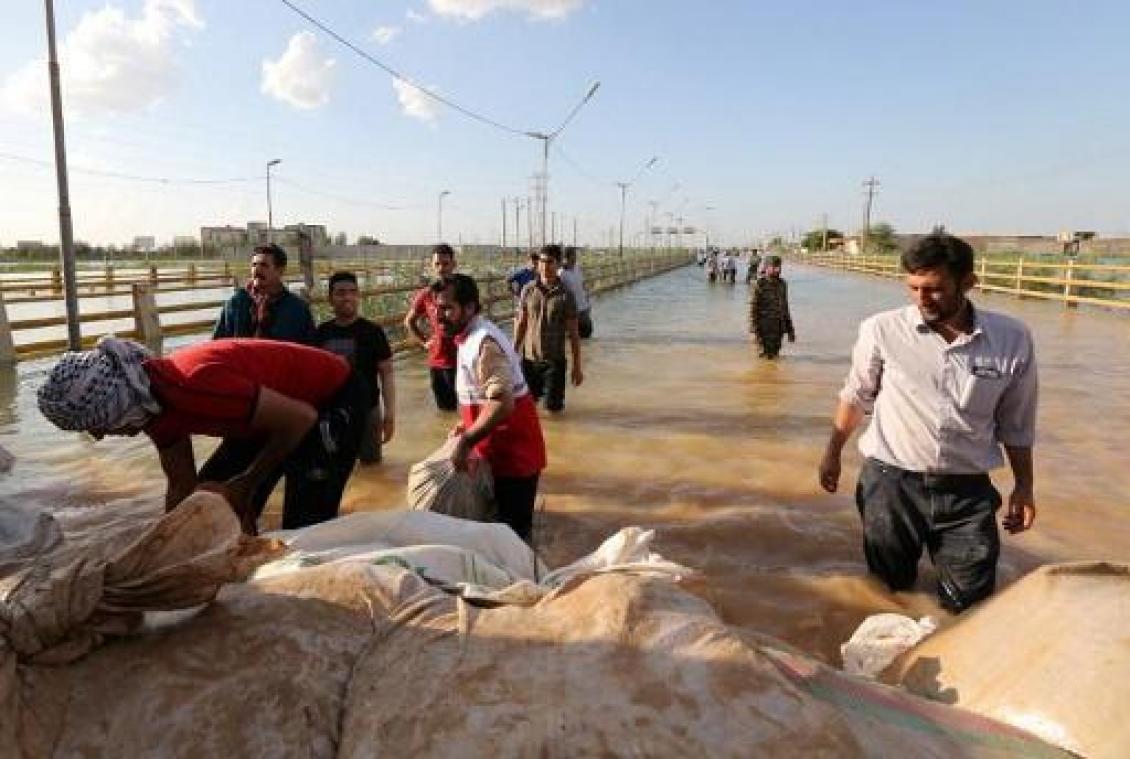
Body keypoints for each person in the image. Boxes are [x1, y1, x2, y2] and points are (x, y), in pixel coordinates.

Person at [817, 232, 1038, 613]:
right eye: (913, 288)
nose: (921, 299)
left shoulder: (1011, 338)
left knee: (970, 606)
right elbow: (856, 396)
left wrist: (1024, 486)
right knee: (888, 594)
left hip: (967, 492)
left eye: (933, 289)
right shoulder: (882, 330)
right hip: (891, 484)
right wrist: (832, 453)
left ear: (968, 282)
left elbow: (1016, 421)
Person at [37, 337, 368, 534]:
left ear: (118, 403)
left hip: (332, 396)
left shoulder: (192, 384)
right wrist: (163, 544)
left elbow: (301, 419)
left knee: (304, 525)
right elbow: (181, 487)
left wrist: (247, 484)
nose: (98, 436)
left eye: (98, 424)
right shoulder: (154, 412)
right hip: (264, 412)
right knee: (207, 505)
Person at [436, 274, 546, 542]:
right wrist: (468, 425)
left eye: (448, 308)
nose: (440, 316)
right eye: (438, 308)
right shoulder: (467, 337)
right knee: (497, 533)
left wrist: (467, 441)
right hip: (495, 456)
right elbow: (483, 397)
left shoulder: (483, 343)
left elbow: (502, 403)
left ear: (470, 308)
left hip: (513, 459)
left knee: (513, 540)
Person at [315, 271, 396, 464]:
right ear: (330, 299)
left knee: (372, 467)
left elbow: (387, 374)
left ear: (358, 296)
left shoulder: (373, 332)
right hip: (332, 412)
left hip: (368, 410)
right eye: (341, 293)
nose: (347, 297)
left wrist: (390, 415)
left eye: (352, 292)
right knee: (334, 465)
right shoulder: (321, 333)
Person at [514, 245, 584, 413]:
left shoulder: (566, 295)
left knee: (553, 412)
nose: (545, 266)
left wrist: (577, 366)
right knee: (526, 408)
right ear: (537, 264)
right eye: (542, 261)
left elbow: (574, 334)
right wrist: (512, 353)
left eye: (550, 262)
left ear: (558, 264)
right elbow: (521, 323)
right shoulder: (528, 290)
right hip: (529, 361)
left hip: (554, 362)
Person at [213, 243, 315, 343]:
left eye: (264, 265)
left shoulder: (297, 309)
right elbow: (217, 345)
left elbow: (310, 350)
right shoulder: (236, 303)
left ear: (280, 270)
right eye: (254, 265)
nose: (257, 269)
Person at [405, 243, 459, 411]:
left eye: (445, 263)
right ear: (432, 266)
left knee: (470, 412)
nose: (441, 268)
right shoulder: (427, 294)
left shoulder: (463, 291)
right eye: (437, 264)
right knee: (445, 412)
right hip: (437, 362)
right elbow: (409, 321)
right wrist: (424, 342)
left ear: (453, 264)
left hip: (463, 360)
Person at [748, 255, 795, 359]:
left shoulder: (782, 284)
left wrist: (790, 329)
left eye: (779, 267)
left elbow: (785, 307)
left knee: (775, 357)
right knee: (764, 359)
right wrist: (754, 331)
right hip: (763, 330)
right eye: (774, 267)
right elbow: (753, 309)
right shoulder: (759, 284)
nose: (777, 269)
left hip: (778, 328)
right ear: (766, 267)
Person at [560, 247, 593, 338]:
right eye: (573, 256)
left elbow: (583, 285)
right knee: (573, 336)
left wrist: (588, 302)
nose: (575, 258)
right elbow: (560, 293)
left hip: (584, 308)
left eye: (575, 256)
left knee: (587, 333)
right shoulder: (562, 273)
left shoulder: (577, 268)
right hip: (572, 310)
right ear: (567, 257)